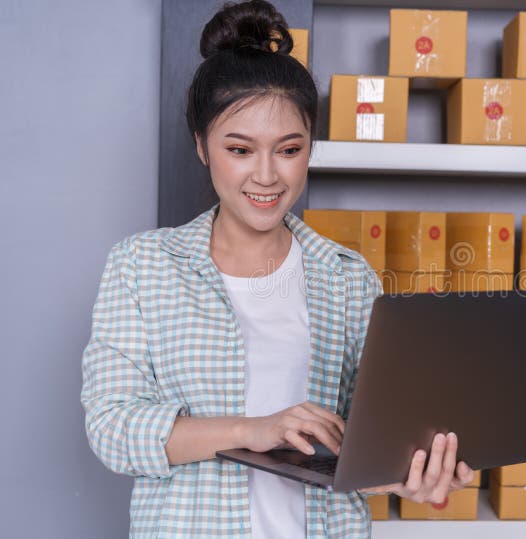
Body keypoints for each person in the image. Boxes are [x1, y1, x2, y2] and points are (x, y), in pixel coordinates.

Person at [80, 1, 474, 537]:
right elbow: (112, 429)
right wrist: (257, 429)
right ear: (202, 146)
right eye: (240, 149)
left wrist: (408, 474)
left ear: (309, 148)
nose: (266, 176)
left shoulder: (346, 275)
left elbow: (367, 443)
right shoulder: (142, 267)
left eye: (289, 149)